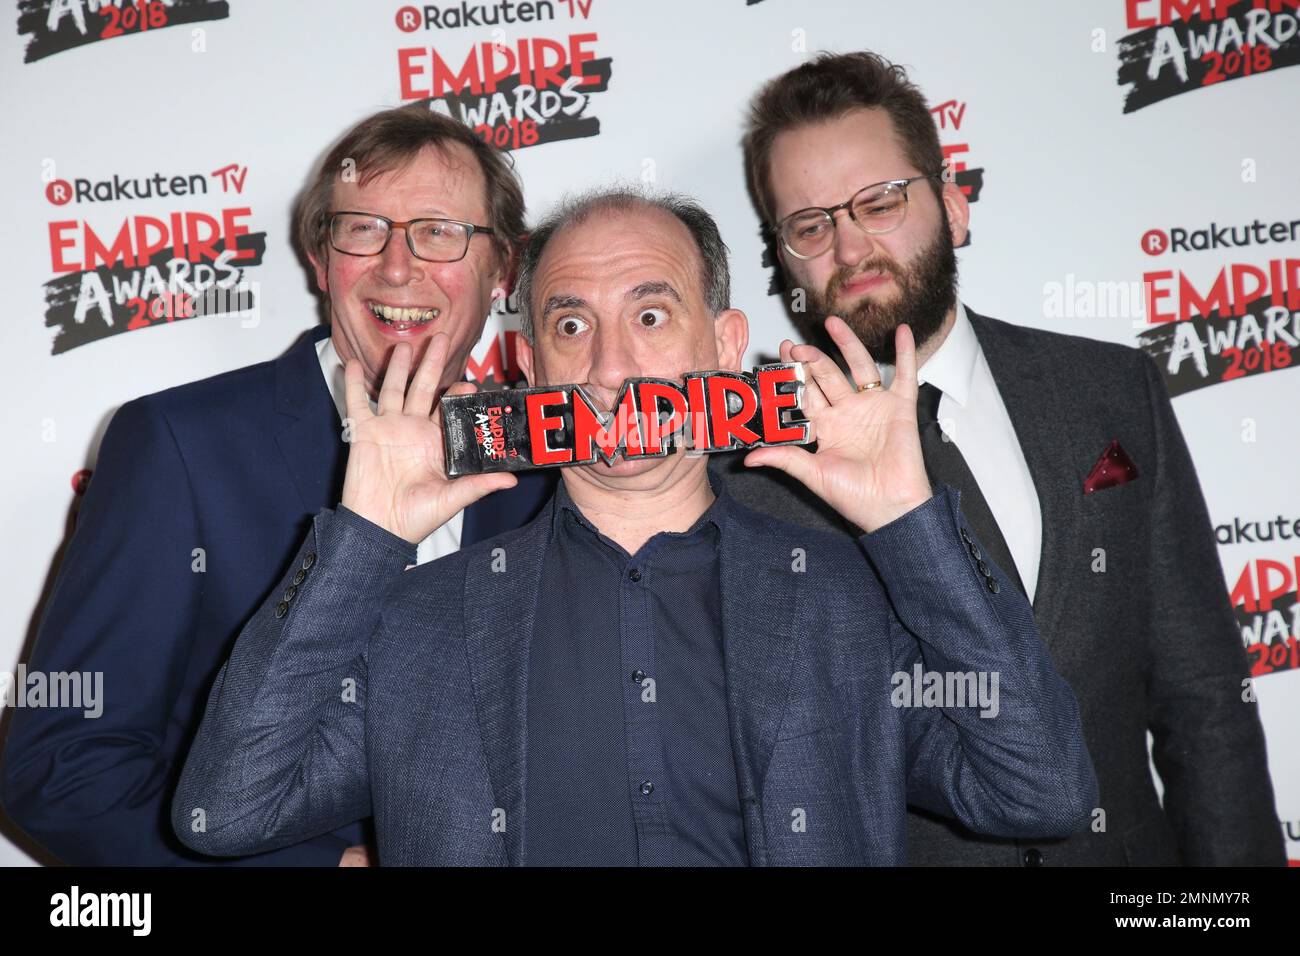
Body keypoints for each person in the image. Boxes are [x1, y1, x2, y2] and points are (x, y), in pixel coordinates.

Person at [170, 188, 1098, 866]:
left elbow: (1043, 788)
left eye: (652, 315)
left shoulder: (849, 599)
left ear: (726, 347)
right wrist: (362, 539)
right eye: (571, 328)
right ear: (528, 367)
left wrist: (910, 525)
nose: (612, 366)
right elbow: (224, 812)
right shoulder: (418, 617)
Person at [726, 51, 1284, 865]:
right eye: (810, 225)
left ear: (953, 207)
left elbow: (1206, 704)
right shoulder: (754, 472)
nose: (849, 250)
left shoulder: (1109, 392)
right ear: (784, 261)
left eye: (879, 202)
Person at [1, 104, 553, 866]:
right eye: (363, 230)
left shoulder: (551, 465)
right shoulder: (179, 446)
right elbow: (60, 770)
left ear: (504, 270)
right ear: (320, 259)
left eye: (439, 232)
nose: (399, 267)